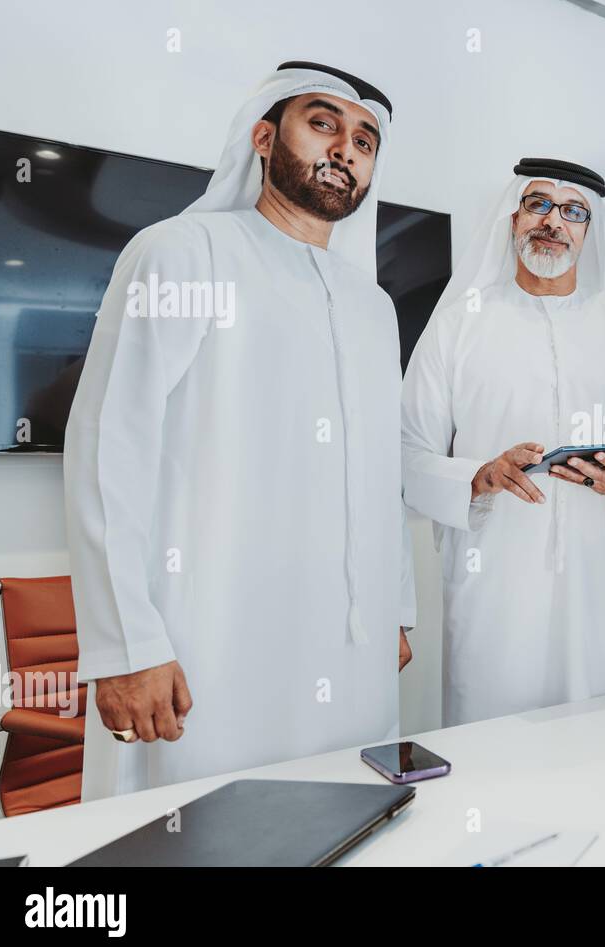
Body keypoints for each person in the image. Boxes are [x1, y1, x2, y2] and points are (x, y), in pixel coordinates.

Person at [64, 62, 415, 797]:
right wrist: (126, 642)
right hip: (205, 640)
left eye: (365, 139)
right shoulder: (181, 254)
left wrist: (397, 608)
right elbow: (107, 447)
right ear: (263, 136)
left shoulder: (373, 306)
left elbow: (380, 473)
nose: (346, 148)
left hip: (352, 651)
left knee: (347, 819)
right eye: (323, 123)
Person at [401, 158, 605, 725]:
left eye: (573, 212)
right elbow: (407, 456)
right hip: (496, 595)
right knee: (496, 760)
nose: (553, 222)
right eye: (538, 205)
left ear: (588, 229)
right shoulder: (459, 326)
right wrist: (478, 476)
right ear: (513, 219)